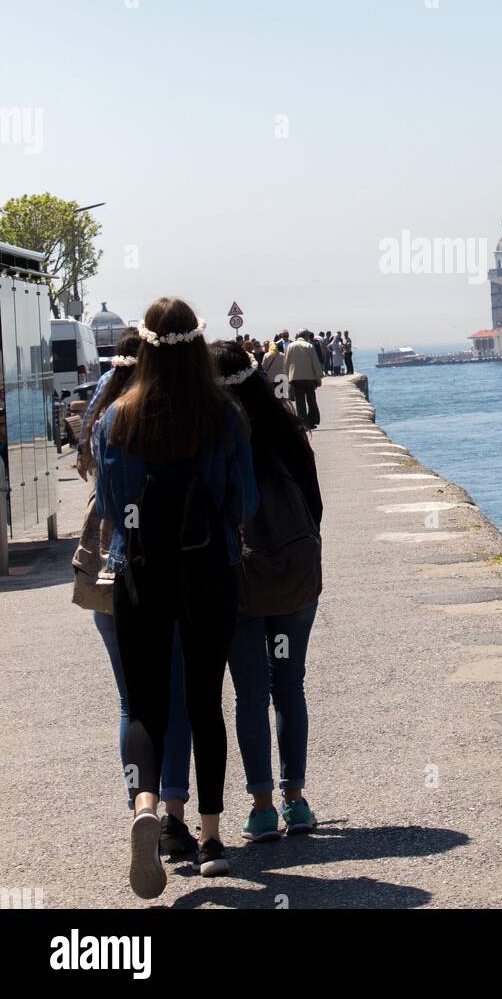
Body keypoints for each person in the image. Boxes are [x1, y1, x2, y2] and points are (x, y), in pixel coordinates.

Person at [96, 297, 258, 898]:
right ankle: (212, 840)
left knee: (144, 705)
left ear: (144, 344)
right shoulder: (225, 416)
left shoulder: (119, 418)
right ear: (198, 345)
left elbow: (112, 507)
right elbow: (245, 501)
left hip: (140, 572)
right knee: (205, 700)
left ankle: (146, 806)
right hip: (209, 570)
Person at [73, 330, 195, 853]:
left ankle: (138, 806)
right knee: (177, 697)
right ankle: (172, 813)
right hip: (157, 570)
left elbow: (108, 495)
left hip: (107, 576)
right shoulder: (149, 418)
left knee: (132, 701)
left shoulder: (103, 420)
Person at [211, 340, 322, 839]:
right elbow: (314, 507)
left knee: (249, 696)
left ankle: (261, 807)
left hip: (240, 583)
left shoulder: (214, 437)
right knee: (289, 687)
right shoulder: (288, 430)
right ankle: (295, 800)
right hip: (295, 579)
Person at [282, 330, 323, 430]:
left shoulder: (290, 346)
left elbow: (286, 363)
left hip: (295, 378)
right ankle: (313, 420)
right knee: (311, 399)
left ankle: (303, 423)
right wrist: (318, 377)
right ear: (305, 336)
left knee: (300, 401)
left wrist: (287, 375)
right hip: (309, 377)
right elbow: (315, 362)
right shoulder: (309, 346)